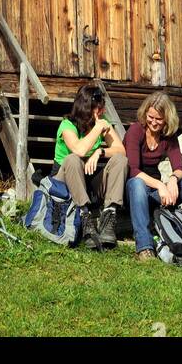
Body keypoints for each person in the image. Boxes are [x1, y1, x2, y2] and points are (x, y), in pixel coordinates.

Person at [124, 90, 182, 262]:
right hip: (135, 194)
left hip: (157, 193)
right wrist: (160, 185)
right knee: (137, 183)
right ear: (145, 113)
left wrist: (173, 179)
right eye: (151, 117)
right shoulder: (136, 131)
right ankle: (144, 246)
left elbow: (180, 167)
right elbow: (133, 169)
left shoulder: (168, 136)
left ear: (167, 119)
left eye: (159, 119)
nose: (154, 122)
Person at [52, 81, 128, 250]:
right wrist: (97, 130)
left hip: (90, 181)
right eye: (98, 108)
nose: (102, 112)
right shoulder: (67, 125)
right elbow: (79, 150)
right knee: (72, 159)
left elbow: (121, 150)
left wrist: (100, 152)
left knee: (120, 161)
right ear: (86, 107)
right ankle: (85, 217)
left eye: (102, 108)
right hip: (64, 182)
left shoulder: (102, 123)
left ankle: (109, 217)